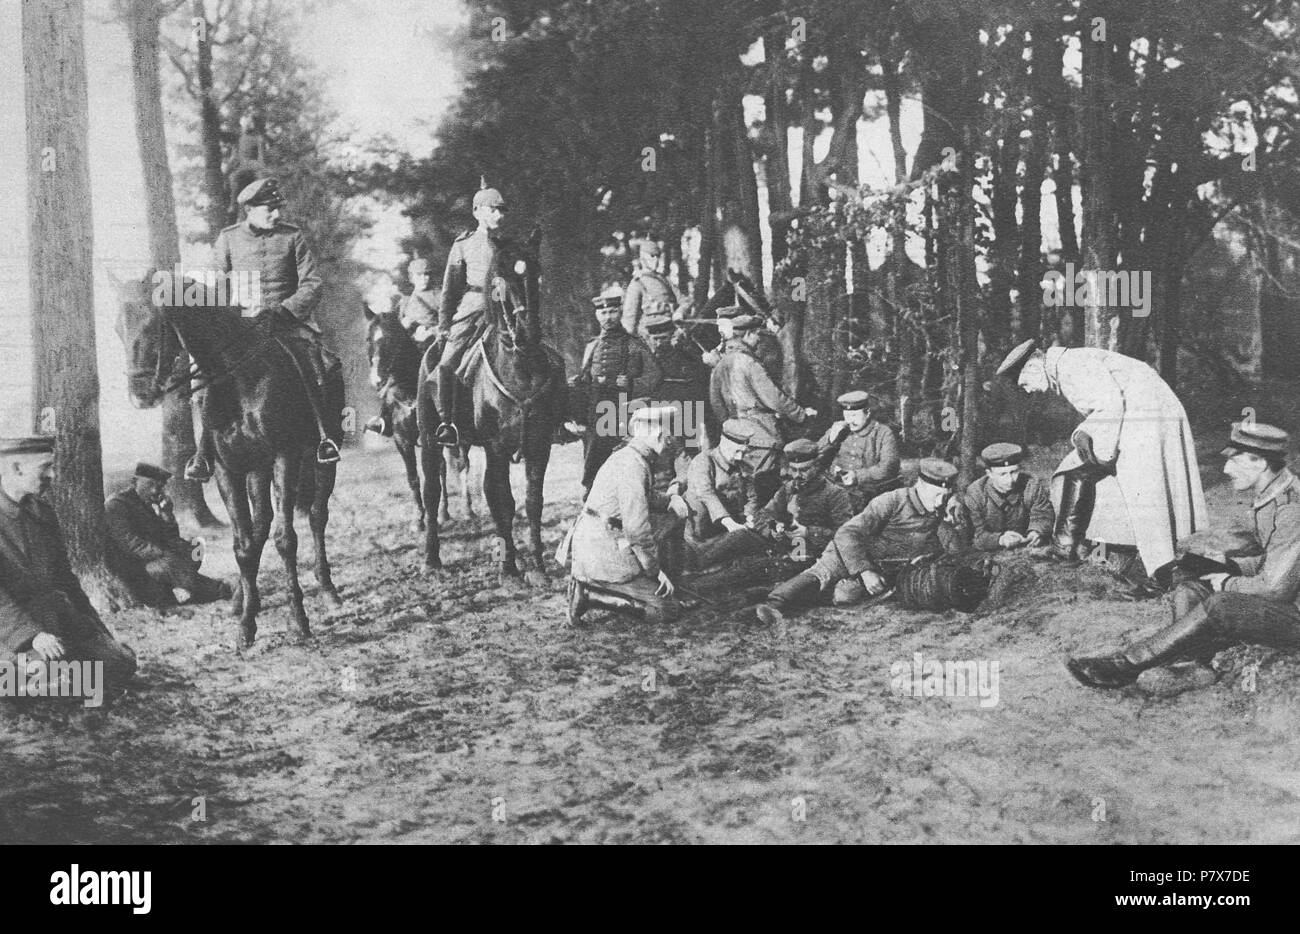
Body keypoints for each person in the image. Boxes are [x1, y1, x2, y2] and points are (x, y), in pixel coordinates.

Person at [1067, 422, 1300, 694]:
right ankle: (1194, 667)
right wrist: (1231, 565)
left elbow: (1276, 587)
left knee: (1221, 604)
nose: (1226, 470)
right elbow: (1282, 562)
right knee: (1189, 586)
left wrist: (1228, 583)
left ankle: (1125, 665)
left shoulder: (1291, 508)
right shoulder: (1275, 493)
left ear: (1259, 462)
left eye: (1233, 461)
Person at [998, 339, 1206, 592]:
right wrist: (1086, 436)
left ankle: (1161, 574)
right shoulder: (1066, 364)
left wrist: (1102, 454)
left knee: (1145, 495)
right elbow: (1105, 405)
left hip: (1146, 416)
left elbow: (1110, 404)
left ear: (1032, 367)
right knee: (1086, 475)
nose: (1028, 390)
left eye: (1025, 383)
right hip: (1141, 413)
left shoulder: (1071, 365)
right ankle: (1077, 545)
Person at [187, 177, 340, 480]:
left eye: (277, 209)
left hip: (287, 323)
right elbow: (215, 284)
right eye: (269, 209)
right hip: (242, 327)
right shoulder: (229, 239)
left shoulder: (293, 237)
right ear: (250, 210)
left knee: (321, 365)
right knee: (205, 379)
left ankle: (325, 437)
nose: (276, 215)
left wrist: (285, 310)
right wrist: (228, 318)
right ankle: (203, 454)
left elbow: (312, 283)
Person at [0, 437, 136, 701]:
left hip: (53, 615)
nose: (52, 475)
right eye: (45, 467)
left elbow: (65, 579)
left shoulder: (42, 511)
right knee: (43, 679)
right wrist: (32, 636)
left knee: (120, 663)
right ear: (16, 468)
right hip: (11, 627)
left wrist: (97, 630)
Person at [755, 459, 969, 624]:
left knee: (845, 596)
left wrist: (953, 523)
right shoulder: (892, 501)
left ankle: (820, 593)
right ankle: (774, 603)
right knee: (821, 575)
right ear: (920, 484)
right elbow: (847, 533)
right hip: (850, 553)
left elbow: (956, 551)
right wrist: (865, 572)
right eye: (935, 495)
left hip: (888, 568)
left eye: (944, 495)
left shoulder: (941, 509)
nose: (939, 501)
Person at [564, 407, 690, 625]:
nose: (664, 436)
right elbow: (636, 531)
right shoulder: (633, 466)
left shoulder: (631, 457)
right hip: (604, 550)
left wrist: (670, 500)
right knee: (668, 610)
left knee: (672, 517)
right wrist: (656, 572)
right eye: (658, 430)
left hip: (599, 540)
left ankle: (601, 586)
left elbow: (645, 497)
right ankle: (590, 596)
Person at [433, 182, 526, 447]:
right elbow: (450, 290)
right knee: (446, 364)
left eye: (502, 211)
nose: (499, 215)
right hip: (473, 310)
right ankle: (447, 423)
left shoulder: (511, 245)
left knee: (537, 350)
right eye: (493, 210)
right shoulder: (463, 245)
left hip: (507, 308)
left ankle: (551, 415)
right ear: (477, 213)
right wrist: (444, 324)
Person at [712, 313, 815, 507]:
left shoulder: (722, 363)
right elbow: (774, 397)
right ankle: (762, 527)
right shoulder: (750, 363)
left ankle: (745, 522)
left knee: (744, 482)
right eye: (757, 334)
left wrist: (727, 424)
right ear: (748, 334)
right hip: (760, 433)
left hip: (733, 431)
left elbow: (715, 400)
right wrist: (801, 414)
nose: (759, 339)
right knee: (764, 484)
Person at [572, 290, 662, 496]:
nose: (608, 317)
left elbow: (655, 376)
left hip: (625, 408)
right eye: (603, 313)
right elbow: (584, 378)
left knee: (621, 455)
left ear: (620, 312)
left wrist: (632, 383)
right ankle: (592, 492)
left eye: (613, 311)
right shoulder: (592, 346)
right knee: (593, 452)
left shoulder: (634, 343)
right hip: (595, 409)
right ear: (597, 316)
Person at [105, 463, 231, 608]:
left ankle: (192, 587)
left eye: (159, 486)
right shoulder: (117, 504)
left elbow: (169, 538)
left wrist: (167, 516)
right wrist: (163, 553)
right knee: (170, 564)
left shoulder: (146, 505)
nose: (154, 490)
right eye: (150, 484)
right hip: (132, 567)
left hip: (151, 560)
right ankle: (217, 589)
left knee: (193, 549)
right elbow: (131, 543)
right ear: (134, 482)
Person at [366, 257, 441, 437]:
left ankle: (447, 416)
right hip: (410, 347)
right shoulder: (405, 302)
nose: (424, 279)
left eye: (427, 275)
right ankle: (385, 419)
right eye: (419, 275)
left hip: (435, 345)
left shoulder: (441, 296)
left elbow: (450, 322)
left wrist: (432, 331)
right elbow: (393, 328)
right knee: (391, 373)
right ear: (412, 278)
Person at [683, 418, 768, 570]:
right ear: (724, 441)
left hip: (725, 533)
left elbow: (752, 497)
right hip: (698, 535)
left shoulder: (744, 467)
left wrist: (749, 517)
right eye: (737, 451)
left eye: (743, 452)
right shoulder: (703, 461)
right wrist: (729, 523)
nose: (739, 457)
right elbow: (706, 494)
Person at [756, 439, 856, 559]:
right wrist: (774, 528)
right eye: (793, 470)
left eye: (804, 470)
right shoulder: (788, 488)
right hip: (786, 553)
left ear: (816, 466)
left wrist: (809, 532)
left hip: (818, 558)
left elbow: (845, 534)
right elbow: (764, 515)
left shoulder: (835, 494)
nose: (797, 475)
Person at [816, 390, 902, 512]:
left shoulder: (883, 432)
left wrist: (858, 476)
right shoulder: (839, 428)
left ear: (867, 413)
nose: (849, 421)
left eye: (854, 416)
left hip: (865, 492)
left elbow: (889, 467)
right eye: (846, 416)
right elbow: (814, 458)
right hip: (832, 487)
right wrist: (830, 440)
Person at [961, 442, 1054, 551]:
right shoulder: (976, 493)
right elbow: (976, 533)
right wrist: (1000, 539)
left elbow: (1043, 515)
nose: (1010, 480)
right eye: (1003, 474)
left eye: (1014, 472)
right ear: (989, 473)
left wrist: (1036, 532)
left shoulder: (1031, 486)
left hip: (1027, 548)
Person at [621, 240, 683, 338]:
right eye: (652, 256)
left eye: (658, 256)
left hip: (671, 332)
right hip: (649, 336)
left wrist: (680, 312)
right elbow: (630, 318)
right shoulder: (637, 283)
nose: (657, 260)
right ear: (642, 258)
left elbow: (684, 301)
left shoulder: (665, 280)